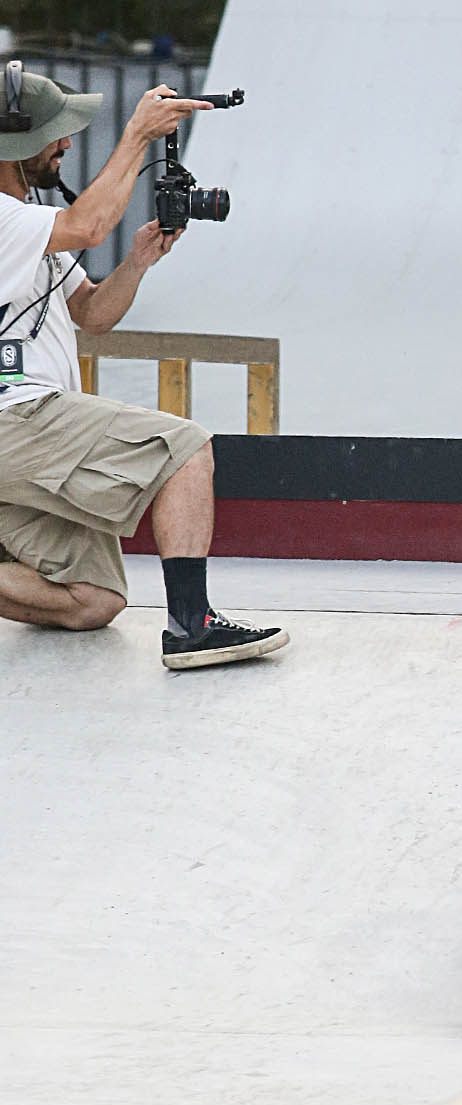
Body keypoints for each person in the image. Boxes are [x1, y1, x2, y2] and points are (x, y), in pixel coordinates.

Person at [0, 69, 287, 671]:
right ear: (15, 145)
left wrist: (136, 263)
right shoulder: (6, 219)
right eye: (55, 134)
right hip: (17, 417)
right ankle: (192, 626)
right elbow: (88, 225)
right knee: (184, 450)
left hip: (23, 433)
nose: (67, 145)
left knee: (92, 601)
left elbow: (92, 314)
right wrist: (136, 138)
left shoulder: (28, 229)